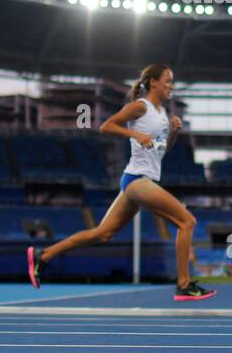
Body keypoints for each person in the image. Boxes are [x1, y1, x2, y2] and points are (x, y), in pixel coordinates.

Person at [27, 64, 215, 301]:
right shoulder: (139, 107)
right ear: (154, 82)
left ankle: (44, 256)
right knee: (187, 221)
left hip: (139, 180)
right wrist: (135, 134)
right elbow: (107, 126)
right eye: (167, 81)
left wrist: (174, 134)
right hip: (137, 180)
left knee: (103, 234)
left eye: (172, 82)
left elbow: (160, 151)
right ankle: (184, 284)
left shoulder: (162, 114)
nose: (171, 86)